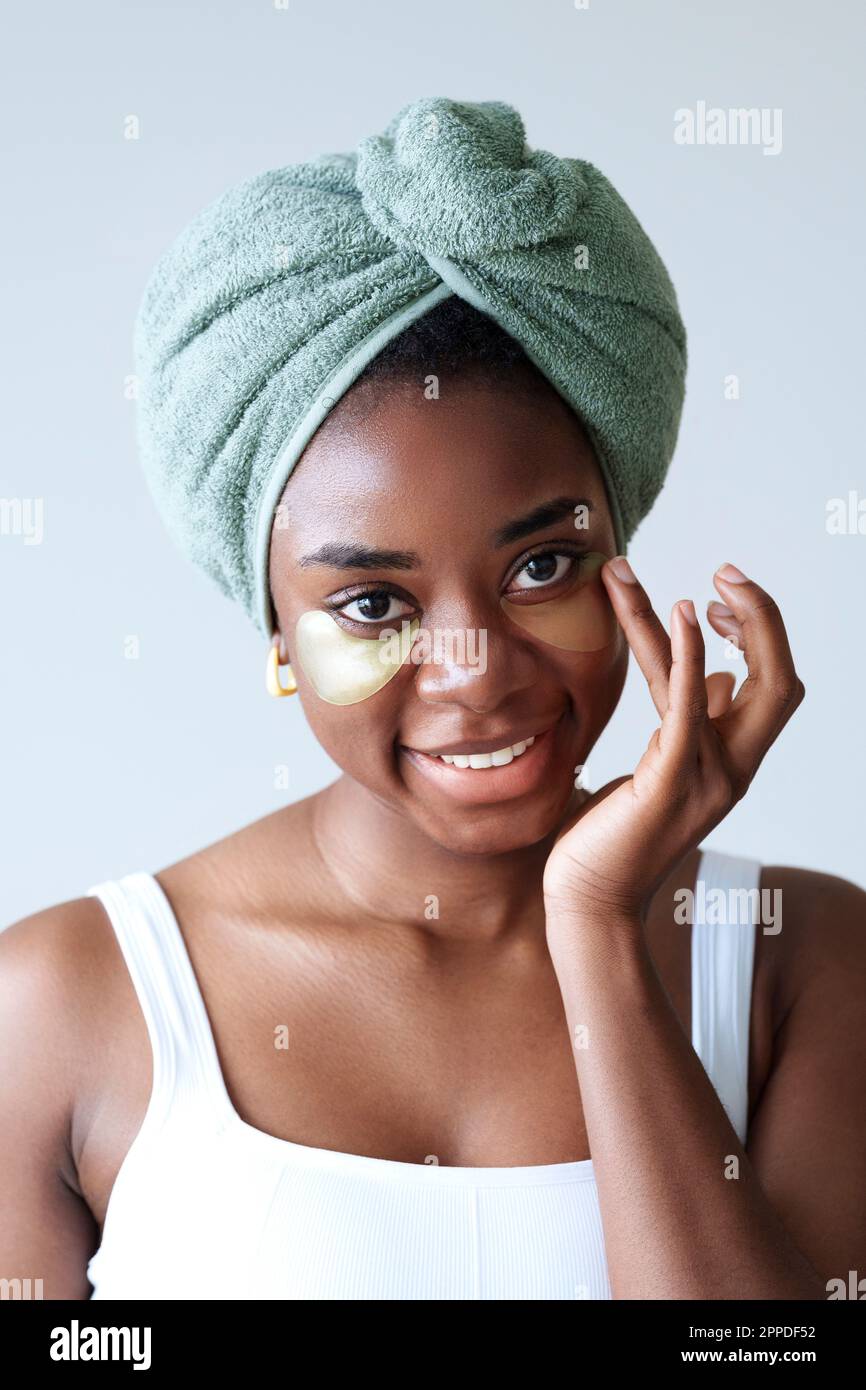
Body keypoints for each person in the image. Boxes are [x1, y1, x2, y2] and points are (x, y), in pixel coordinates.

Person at [1, 99, 863, 1301]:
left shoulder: (803, 962)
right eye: (368, 603)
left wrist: (598, 928)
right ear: (276, 633)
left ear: (621, 552)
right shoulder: (62, 999)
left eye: (540, 567)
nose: (475, 669)